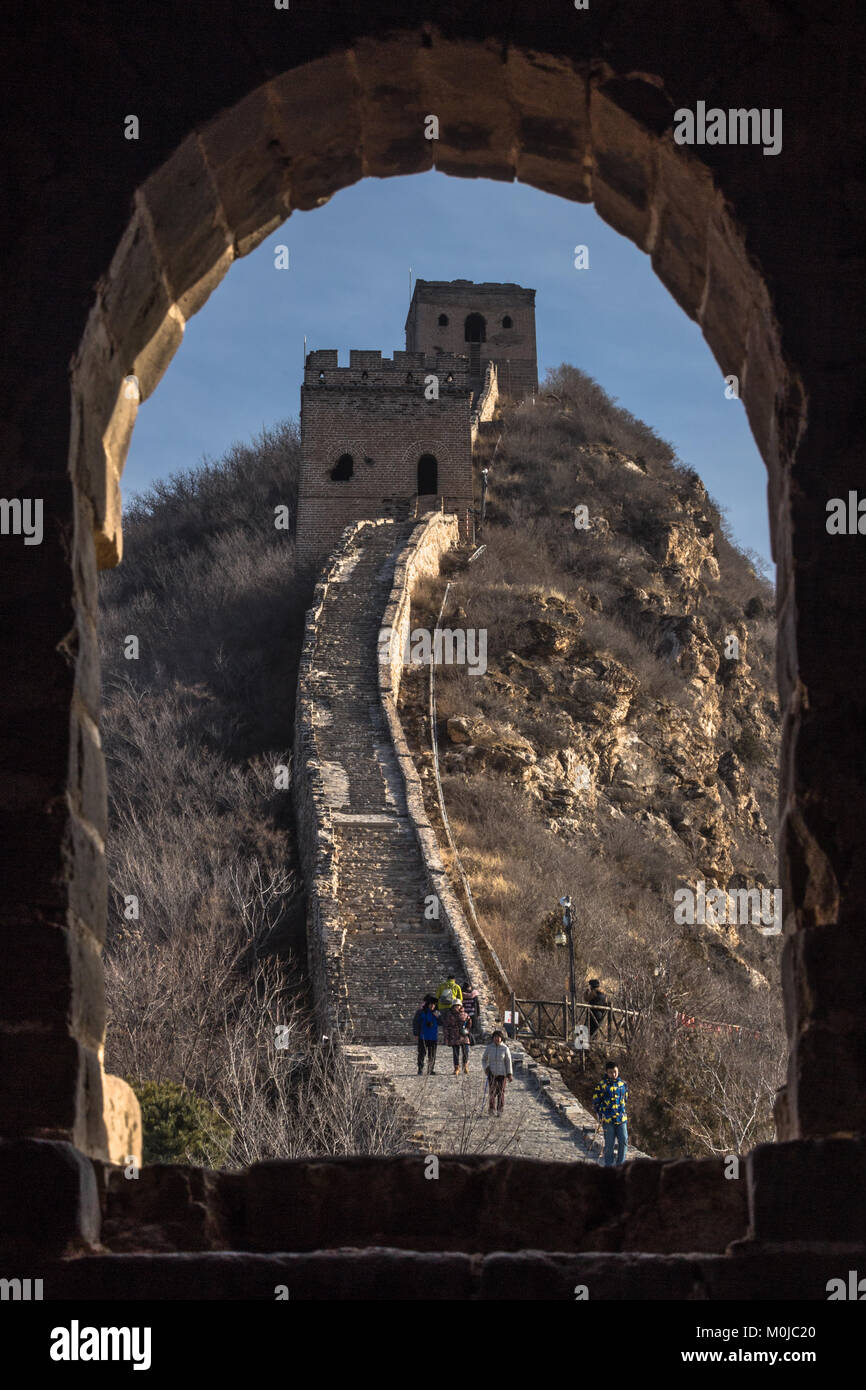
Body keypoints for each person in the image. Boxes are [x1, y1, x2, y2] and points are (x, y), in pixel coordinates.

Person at [592, 1060, 628, 1166]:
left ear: (618, 1071)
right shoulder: (601, 1085)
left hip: (621, 1118)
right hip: (607, 1119)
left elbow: (625, 1100)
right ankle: (609, 1166)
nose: (613, 1074)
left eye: (615, 1071)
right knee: (609, 1144)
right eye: (611, 1072)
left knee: (624, 1140)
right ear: (607, 1072)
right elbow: (596, 1101)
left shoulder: (623, 1084)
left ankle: (620, 1165)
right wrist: (600, 1114)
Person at [481, 1028, 513, 1114]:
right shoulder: (489, 1048)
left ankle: (500, 1110)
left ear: (501, 1038)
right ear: (493, 1038)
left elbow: (508, 1061)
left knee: (501, 1092)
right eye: (495, 1037)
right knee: (492, 1092)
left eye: (499, 1037)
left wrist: (509, 1073)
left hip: (502, 1074)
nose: (497, 1039)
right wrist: (486, 1068)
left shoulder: (505, 1048)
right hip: (491, 1073)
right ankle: (491, 1109)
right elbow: (484, 1059)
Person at [412, 995, 440, 1075]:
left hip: (433, 1037)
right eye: (431, 1004)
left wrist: (438, 1017)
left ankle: (430, 1069)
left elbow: (442, 1022)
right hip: (423, 1036)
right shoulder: (421, 1012)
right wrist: (416, 1033)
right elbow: (416, 1023)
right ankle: (420, 1069)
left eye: (434, 1004)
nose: (432, 1006)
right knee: (421, 1054)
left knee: (432, 1055)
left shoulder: (437, 1013)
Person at [444, 1001, 472, 1074]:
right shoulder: (450, 1015)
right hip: (454, 1036)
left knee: (466, 1051)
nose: (457, 1007)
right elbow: (446, 1026)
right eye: (455, 1006)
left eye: (458, 1005)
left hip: (463, 1035)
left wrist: (467, 1030)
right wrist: (447, 1036)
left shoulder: (465, 1014)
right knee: (456, 1053)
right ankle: (456, 1068)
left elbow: (469, 1022)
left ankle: (465, 1065)